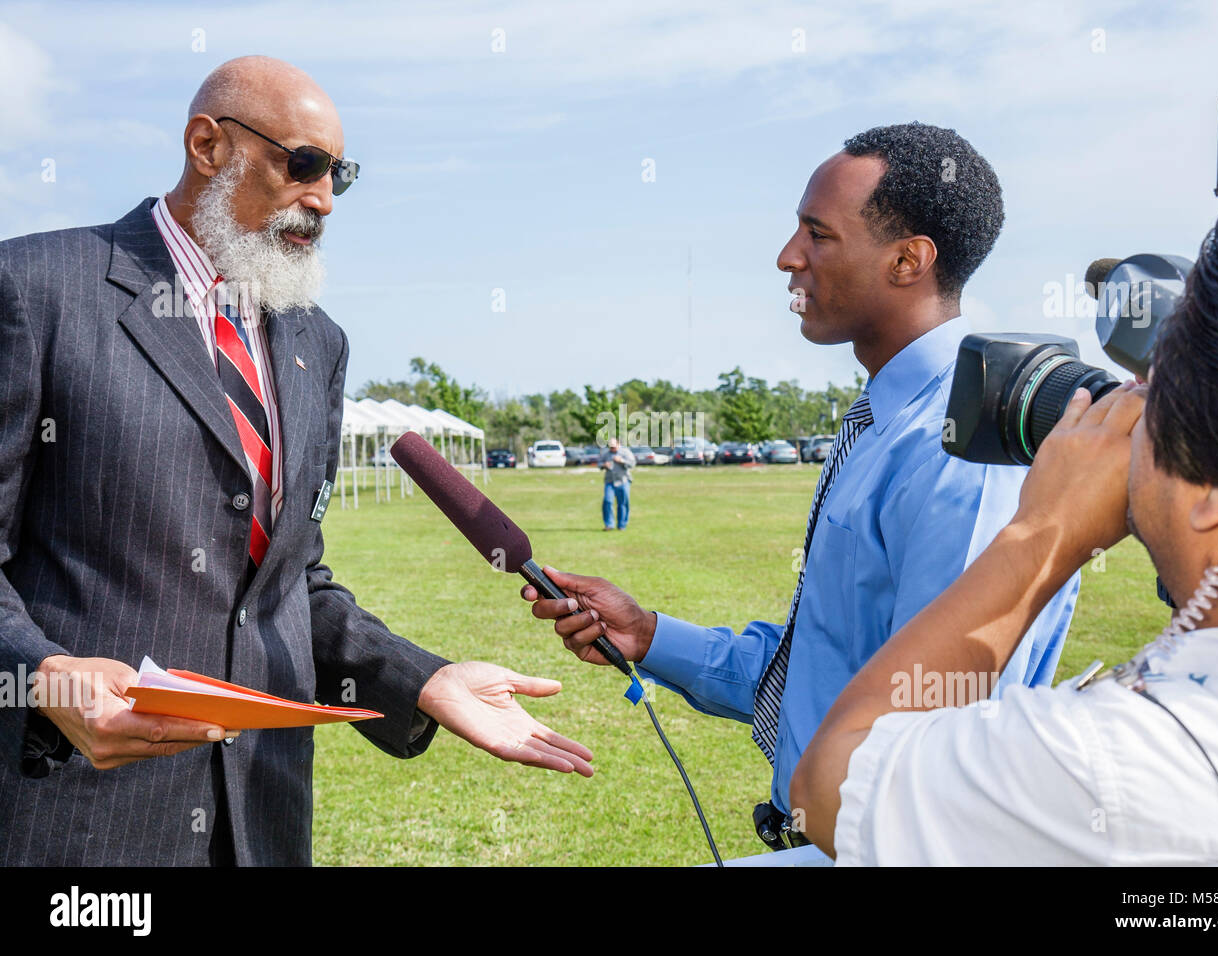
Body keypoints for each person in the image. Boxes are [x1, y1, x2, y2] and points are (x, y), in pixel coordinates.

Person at [0, 56, 592, 867]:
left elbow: (287, 586)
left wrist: (424, 680)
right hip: (79, 826)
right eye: (302, 164)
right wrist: (46, 678)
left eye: (339, 176)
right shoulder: (36, 289)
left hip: (261, 819)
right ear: (207, 145)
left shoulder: (318, 341)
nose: (322, 198)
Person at [523, 123, 1079, 849]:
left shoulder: (963, 442)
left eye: (818, 234)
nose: (788, 257)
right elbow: (822, 672)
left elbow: (937, 735)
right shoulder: (888, 418)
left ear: (908, 260)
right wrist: (650, 636)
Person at [792, 200, 1218, 865]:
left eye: (1152, 396)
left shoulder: (1121, 762)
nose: (1122, 411)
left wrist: (1045, 530)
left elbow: (833, 785)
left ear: (1213, 491)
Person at [600, 437, 636, 530]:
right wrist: (604, 465)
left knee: (623, 503)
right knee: (607, 501)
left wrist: (622, 461)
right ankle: (609, 524)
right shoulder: (606, 454)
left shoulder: (625, 452)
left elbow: (632, 463)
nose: (612, 449)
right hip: (610, 481)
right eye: (610, 447)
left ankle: (622, 525)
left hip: (623, 481)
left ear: (618, 444)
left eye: (614, 447)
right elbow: (599, 463)